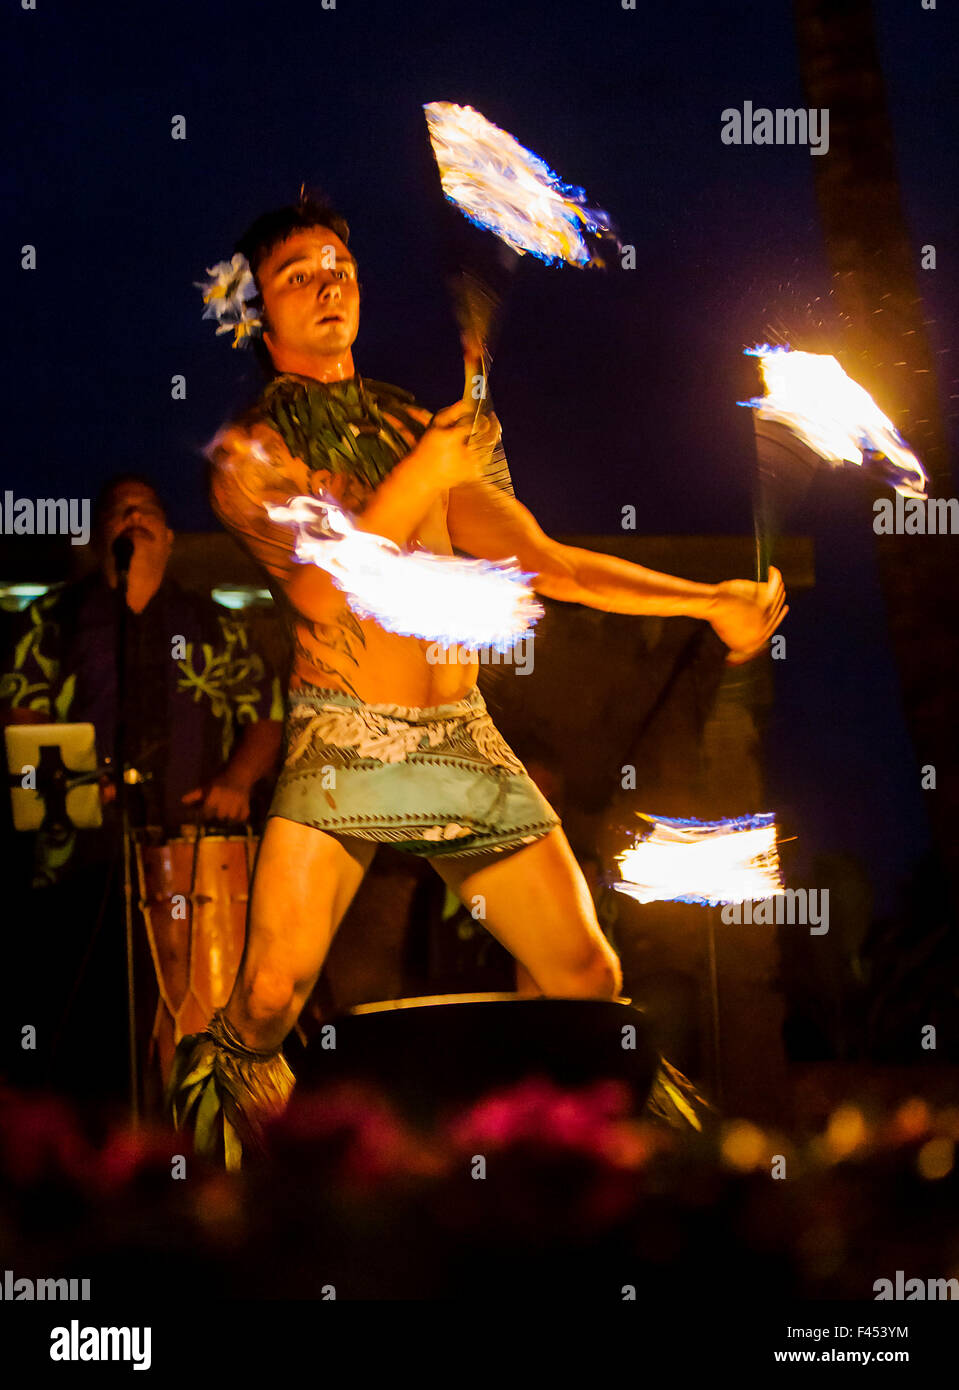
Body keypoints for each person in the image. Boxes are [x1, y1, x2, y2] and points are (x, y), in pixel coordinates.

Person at [169, 195, 787, 1162]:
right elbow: (325, 597)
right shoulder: (253, 453)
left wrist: (705, 599)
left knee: (586, 973)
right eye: (298, 275)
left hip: (462, 742)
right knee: (265, 1003)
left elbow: (550, 563)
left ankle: (556, 1175)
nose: (329, 282)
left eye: (341, 263)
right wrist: (427, 468)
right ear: (258, 313)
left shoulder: (423, 423)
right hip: (345, 747)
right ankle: (236, 1207)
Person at [0, 474, 284, 1100]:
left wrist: (236, 781)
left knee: (187, 1025)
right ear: (102, 534)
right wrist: (71, 781)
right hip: (79, 860)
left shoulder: (212, 623)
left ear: (171, 536)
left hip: (193, 861)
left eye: (148, 510)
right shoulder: (52, 619)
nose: (134, 518)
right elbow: (19, 714)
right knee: (79, 1026)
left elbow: (266, 714)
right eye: (121, 511)